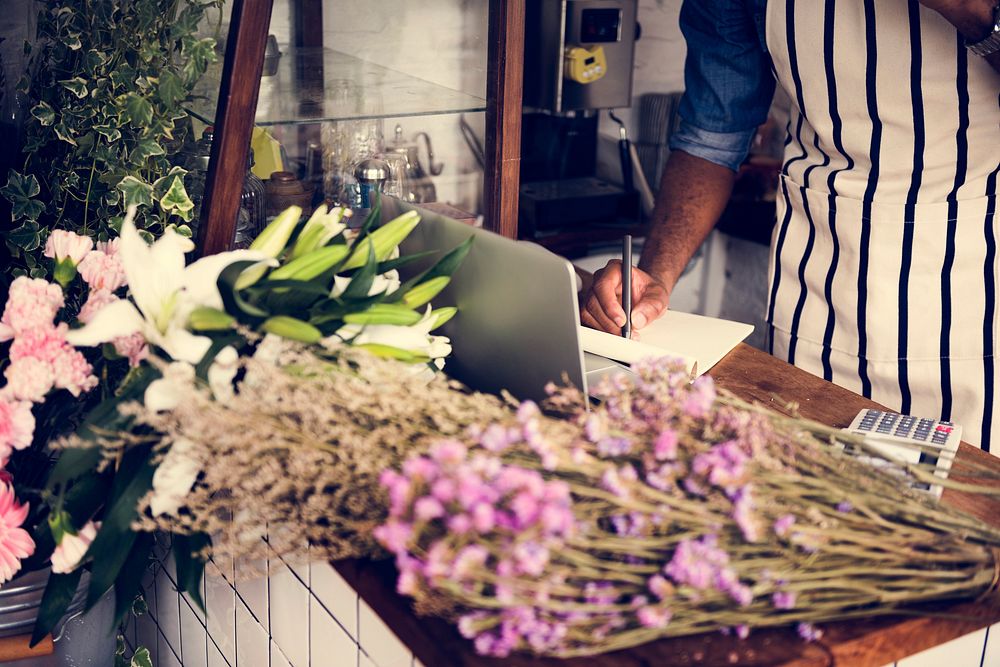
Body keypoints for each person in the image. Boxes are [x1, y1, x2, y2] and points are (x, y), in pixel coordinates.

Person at [582, 0, 1000, 450]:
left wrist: (977, 15)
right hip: (815, 298)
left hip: (972, 300)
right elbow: (711, 135)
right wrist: (656, 278)